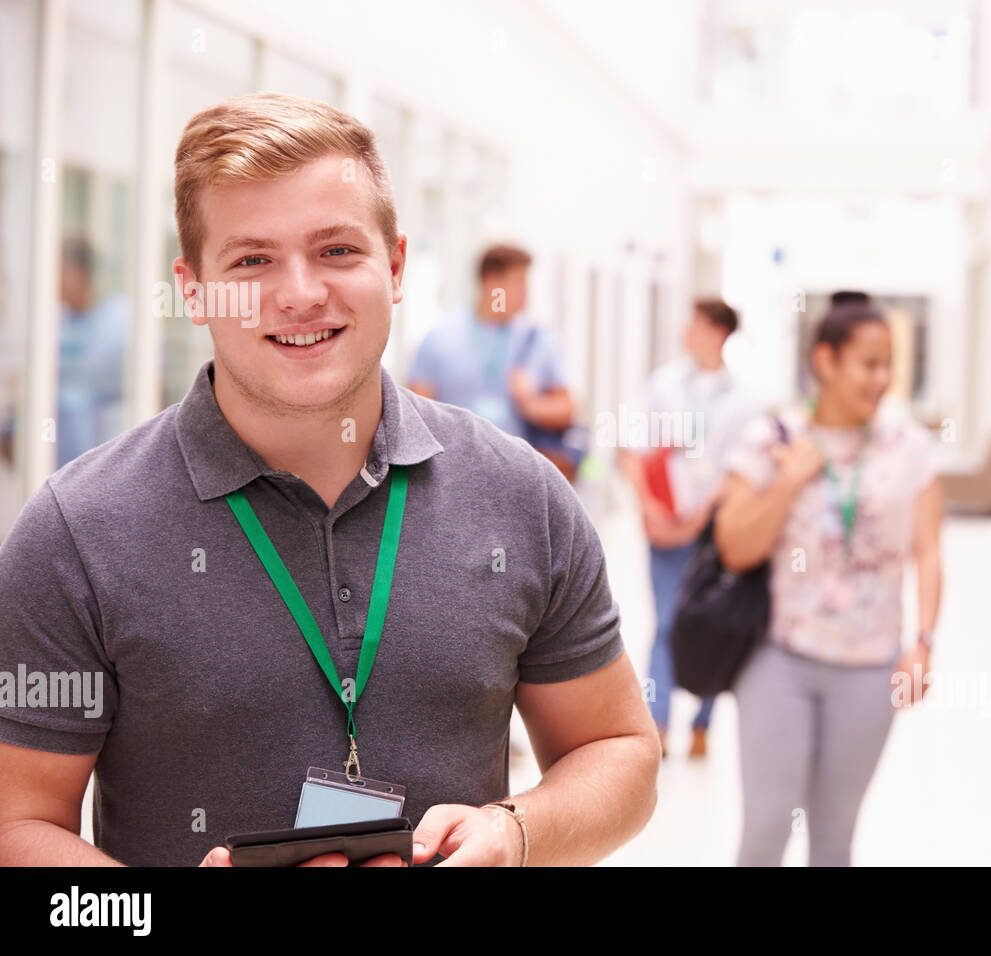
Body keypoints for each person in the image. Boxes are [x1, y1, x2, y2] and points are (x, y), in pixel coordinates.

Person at [0, 92, 658, 867]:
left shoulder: (523, 497)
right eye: (252, 261)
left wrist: (516, 832)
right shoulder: (77, 531)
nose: (302, 293)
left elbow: (618, 746)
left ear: (398, 265)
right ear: (194, 290)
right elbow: (15, 826)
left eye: (337, 251)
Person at [714, 296, 943, 866]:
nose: (882, 378)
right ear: (826, 360)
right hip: (780, 657)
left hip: (870, 666)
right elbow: (734, 547)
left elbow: (929, 549)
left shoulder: (909, 447)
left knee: (835, 836)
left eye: (889, 363)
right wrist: (788, 482)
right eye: (869, 363)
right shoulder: (773, 438)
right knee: (767, 827)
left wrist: (924, 643)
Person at [616, 298, 757, 758]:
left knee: (714, 621)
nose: (686, 331)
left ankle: (702, 725)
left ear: (718, 332)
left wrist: (702, 516)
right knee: (668, 621)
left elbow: (744, 470)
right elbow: (631, 448)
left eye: (696, 324)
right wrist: (649, 509)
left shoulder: (743, 399)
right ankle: (657, 723)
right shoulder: (664, 385)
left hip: (715, 527)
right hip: (664, 525)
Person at [407, 244, 581, 481]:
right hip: (454, 477)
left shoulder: (539, 341)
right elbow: (416, 415)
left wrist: (531, 403)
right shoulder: (441, 336)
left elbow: (567, 410)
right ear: (491, 281)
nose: (525, 294)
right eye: (519, 283)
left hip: (518, 478)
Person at [57, 237, 129, 467]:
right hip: (58, 460)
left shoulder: (121, 321)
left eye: (59, 271)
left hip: (109, 457)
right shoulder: (55, 320)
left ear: (78, 274)